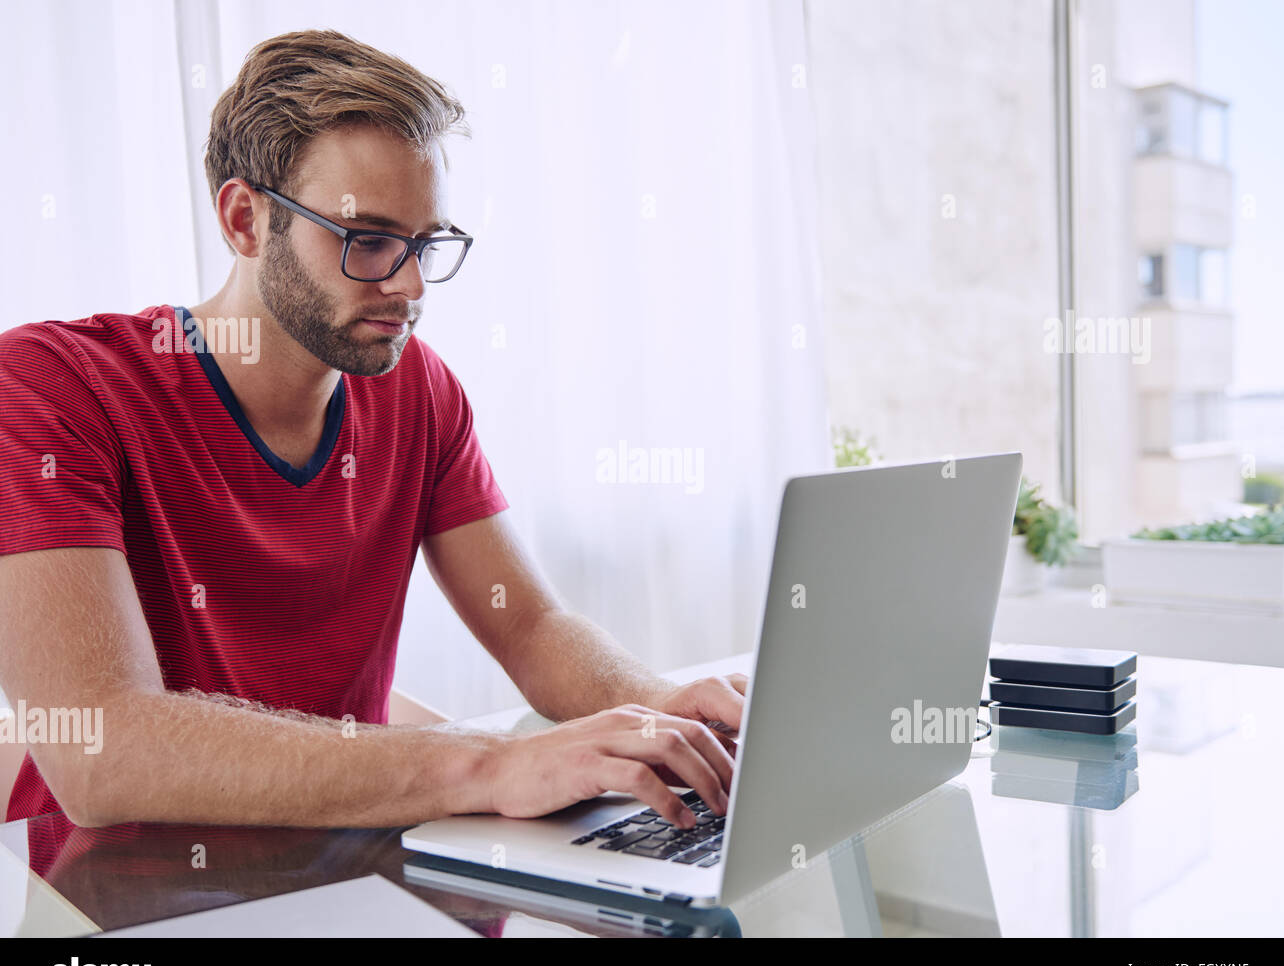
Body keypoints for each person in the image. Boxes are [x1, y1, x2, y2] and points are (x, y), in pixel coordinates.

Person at [0, 29, 744, 832]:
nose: (411, 285)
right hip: (119, 904)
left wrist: (663, 707)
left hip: (352, 862)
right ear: (245, 220)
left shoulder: (417, 389)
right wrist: (487, 764)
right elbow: (102, 750)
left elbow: (531, 626)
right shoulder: (51, 387)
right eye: (370, 240)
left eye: (427, 243)